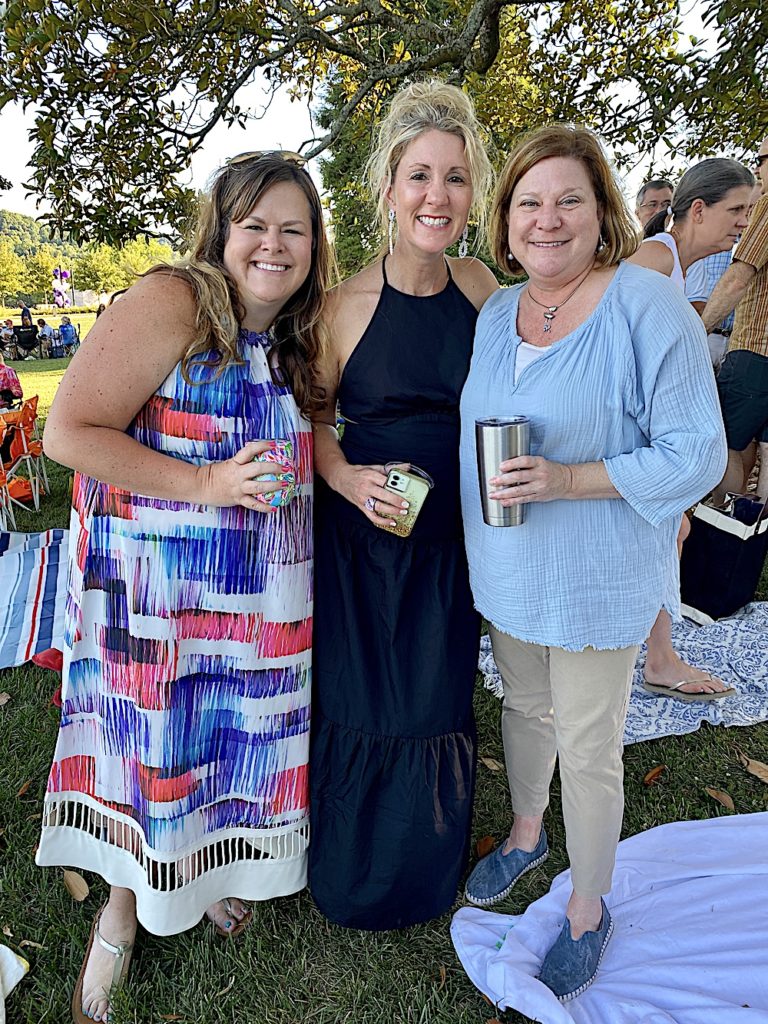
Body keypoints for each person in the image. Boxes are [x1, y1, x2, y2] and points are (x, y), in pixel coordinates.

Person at [36, 152, 334, 1024]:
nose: (275, 245)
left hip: (258, 605)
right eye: (256, 225)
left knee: (220, 752)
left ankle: (197, 881)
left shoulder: (294, 333)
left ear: (317, 244)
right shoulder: (174, 300)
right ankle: (123, 914)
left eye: (295, 228)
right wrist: (206, 485)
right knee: (156, 756)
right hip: (155, 598)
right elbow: (67, 432)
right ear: (222, 229)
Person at [459, 125, 726, 1001]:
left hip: (596, 576)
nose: (548, 219)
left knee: (588, 743)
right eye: (530, 203)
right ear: (506, 223)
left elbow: (699, 453)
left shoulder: (644, 307)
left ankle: (586, 905)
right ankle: (528, 833)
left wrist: (574, 477)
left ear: (602, 211)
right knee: (524, 706)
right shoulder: (499, 311)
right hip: (510, 568)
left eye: (569, 199)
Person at [309, 81, 497, 930]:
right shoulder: (343, 304)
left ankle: (425, 864)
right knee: (365, 695)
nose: (437, 196)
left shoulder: (483, 286)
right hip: (365, 536)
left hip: (456, 537)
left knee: (435, 694)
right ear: (388, 188)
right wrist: (347, 480)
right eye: (420, 175)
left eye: (455, 179)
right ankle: (352, 870)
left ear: (472, 194)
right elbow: (311, 419)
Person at [628, 157, 753, 697]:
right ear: (698, 209)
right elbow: (616, 345)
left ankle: (656, 652)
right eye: (738, 210)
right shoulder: (656, 260)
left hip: (660, 425)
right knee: (668, 531)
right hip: (641, 429)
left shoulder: (675, 260)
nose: (746, 222)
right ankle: (656, 657)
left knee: (671, 531)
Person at [703, 136, 768, 503]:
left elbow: (737, 278)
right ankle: (754, 539)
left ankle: (724, 528)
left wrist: (695, 332)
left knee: (726, 445)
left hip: (755, 349)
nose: (758, 168)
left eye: (761, 160)